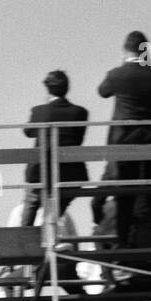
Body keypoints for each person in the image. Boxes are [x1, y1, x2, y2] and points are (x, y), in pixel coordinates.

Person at [98, 30, 151, 250]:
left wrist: (122, 64)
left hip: (123, 139)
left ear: (124, 50)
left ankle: (122, 238)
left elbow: (103, 92)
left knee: (125, 192)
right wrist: (148, 62)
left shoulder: (115, 75)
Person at [21, 71, 89, 227]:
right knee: (55, 209)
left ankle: (24, 236)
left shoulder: (39, 111)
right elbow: (78, 137)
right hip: (70, 174)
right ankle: (49, 226)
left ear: (48, 89)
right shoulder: (80, 113)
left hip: (40, 173)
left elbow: (28, 132)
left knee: (31, 201)